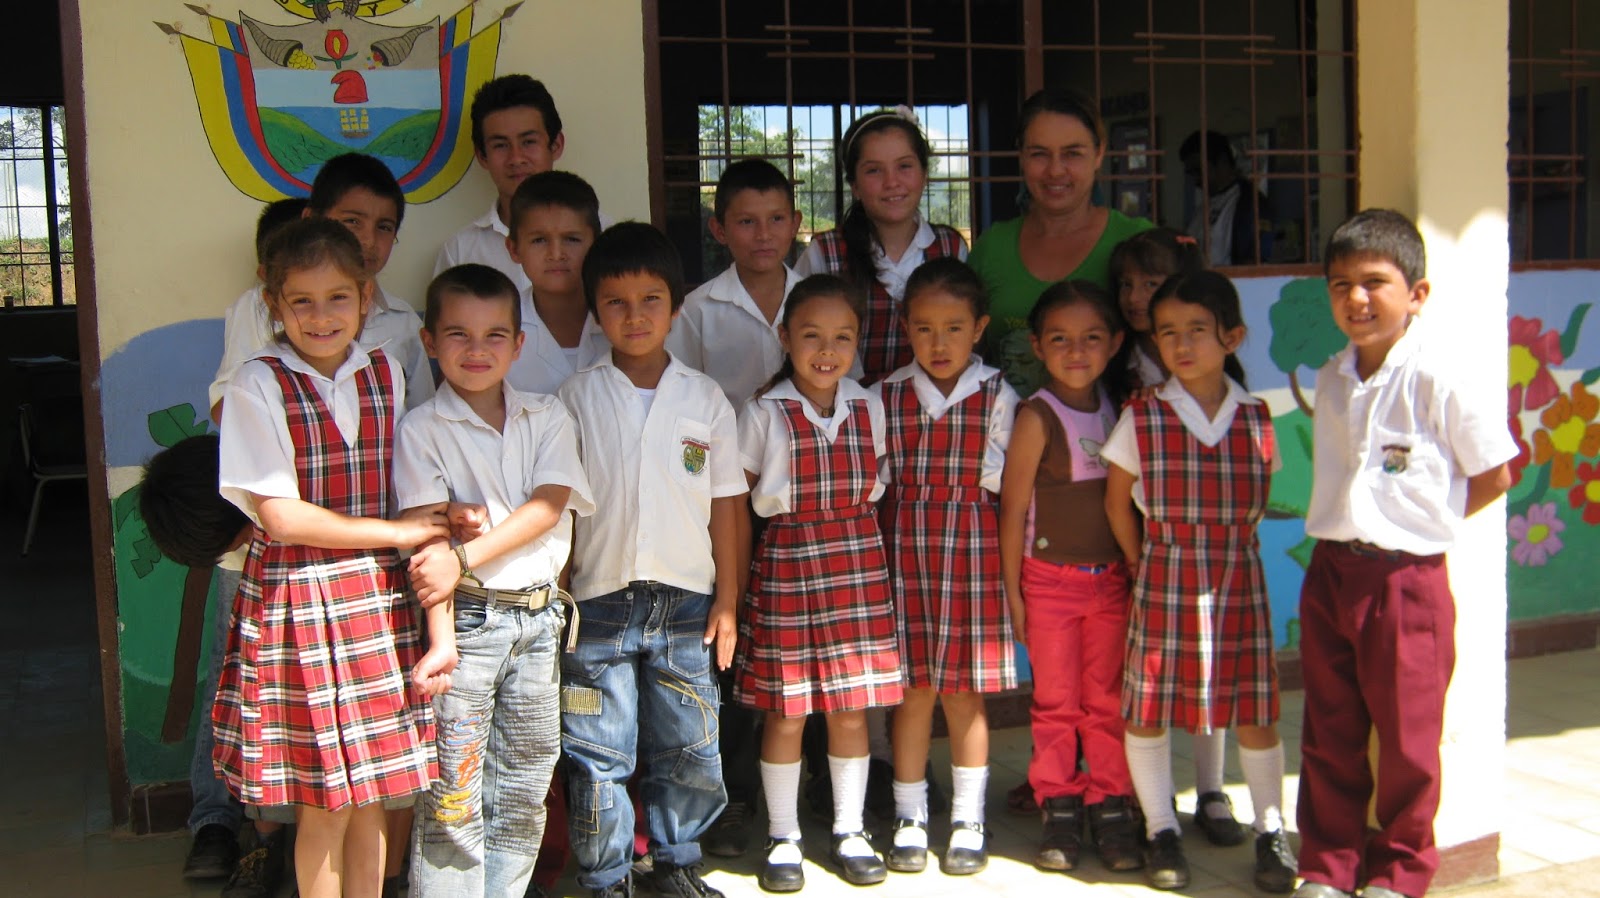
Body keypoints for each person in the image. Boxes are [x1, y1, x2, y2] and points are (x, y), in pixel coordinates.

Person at [213, 218, 445, 898]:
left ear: (366, 298)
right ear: (273, 306)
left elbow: (408, 481)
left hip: (377, 606)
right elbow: (281, 519)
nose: (321, 316)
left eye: (338, 297)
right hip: (300, 604)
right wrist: (400, 535)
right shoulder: (258, 384)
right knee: (324, 799)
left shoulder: (388, 373)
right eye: (302, 302)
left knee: (373, 791)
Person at [1292, 210, 1515, 898]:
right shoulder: (1333, 378)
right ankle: (1327, 866)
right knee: (1329, 730)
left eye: (1374, 283)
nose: (1355, 299)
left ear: (1416, 293)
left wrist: (1422, 528)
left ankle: (1398, 872)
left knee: (1408, 743)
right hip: (1331, 572)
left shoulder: (1441, 375)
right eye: (1339, 285)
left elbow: (1494, 472)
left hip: (1406, 583)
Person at [556, 222, 747, 898]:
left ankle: (676, 864)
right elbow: (560, 510)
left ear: (678, 304)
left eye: (651, 299)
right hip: (596, 604)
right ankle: (606, 879)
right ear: (594, 309)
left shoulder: (704, 399)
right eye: (615, 302)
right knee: (597, 753)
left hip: (687, 604)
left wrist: (728, 599)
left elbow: (727, 505)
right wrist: (558, 599)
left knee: (689, 745)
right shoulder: (574, 399)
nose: (634, 316)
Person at [392, 263, 596, 897]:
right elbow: (428, 543)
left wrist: (467, 551)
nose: (476, 352)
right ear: (429, 342)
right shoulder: (422, 428)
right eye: (457, 335)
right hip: (469, 623)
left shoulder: (547, 415)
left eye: (494, 336)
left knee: (526, 782)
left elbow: (550, 502)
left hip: (540, 621)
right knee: (455, 787)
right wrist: (442, 637)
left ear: (518, 342)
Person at [1101, 270, 1296, 893]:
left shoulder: (1258, 418)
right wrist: (1140, 561)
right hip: (1166, 573)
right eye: (1167, 334)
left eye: (1198, 331)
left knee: (1253, 709)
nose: (1181, 345)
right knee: (1150, 705)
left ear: (1232, 337)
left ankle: (1272, 830)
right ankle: (1162, 826)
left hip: (1238, 578)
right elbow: (1116, 503)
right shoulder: (1144, 416)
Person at [736, 275, 905, 892]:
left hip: (858, 561)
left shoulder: (869, 404)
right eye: (811, 335)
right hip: (787, 562)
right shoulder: (763, 411)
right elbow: (735, 494)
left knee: (850, 709)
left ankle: (850, 828)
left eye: (842, 337)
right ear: (785, 337)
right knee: (786, 712)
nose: (826, 349)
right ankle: (783, 836)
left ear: (859, 342)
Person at [666, 157, 811, 859]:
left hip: (802, 502)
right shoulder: (697, 309)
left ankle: (797, 777)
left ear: (797, 224)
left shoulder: (817, 296)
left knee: (794, 643)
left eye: (777, 219)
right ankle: (727, 790)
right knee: (729, 644)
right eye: (746, 222)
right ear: (720, 228)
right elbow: (681, 404)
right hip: (726, 501)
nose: (763, 234)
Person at [875, 258, 1018, 877]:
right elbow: (874, 484)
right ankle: (910, 816)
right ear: (906, 327)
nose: (939, 343)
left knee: (963, 695)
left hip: (971, 557)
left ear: (979, 328)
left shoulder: (997, 395)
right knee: (912, 693)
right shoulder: (884, 394)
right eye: (925, 328)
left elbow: (1004, 488)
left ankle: (968, 819)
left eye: (954, 328)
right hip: (902, 557)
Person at [1109, 228, 1251, 846]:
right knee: (1149, 675)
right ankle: (1152, 802)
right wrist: (1137, 555)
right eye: (1128, 286)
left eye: (1152, 284)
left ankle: (1212, 789)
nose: (1138, 297)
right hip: (1144, 536)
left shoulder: (1225, 378)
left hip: (1207, 543)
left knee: (1209, 666)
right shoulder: (1118, 366)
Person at [997, 279, 1144, 876]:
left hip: (1109, 582)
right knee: (1056, 703)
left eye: (1090, 338)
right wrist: (1014, 595)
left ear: (1114, 344)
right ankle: (1058, 805)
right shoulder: (1037, 416)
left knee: (1107, 703)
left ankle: (1110, 803)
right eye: (1059, 339)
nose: (1075, 351)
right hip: (1050, 584)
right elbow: (1011, 511)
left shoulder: (1121, 410)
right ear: (1036, 345)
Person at [181, 199, 303, 898]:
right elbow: (231, 411)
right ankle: (221, 823)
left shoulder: (395, 321)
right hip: (259, 541)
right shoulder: (253, 315)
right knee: (240, 684)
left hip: (333, 550)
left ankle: (280, 838)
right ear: (268, 279)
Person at [211, 154, 435, 417]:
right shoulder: (260, 306)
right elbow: (225, 409)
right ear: (311, 219)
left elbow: (423, 415)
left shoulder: (404, 321)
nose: (368, 240)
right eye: (352, 221)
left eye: (384, 227)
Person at [969, 88, 1154, 397]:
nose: (1055, 170)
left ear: (1099, 154)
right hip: (1007, 438)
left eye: (1072, 153)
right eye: (1039, 153)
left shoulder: (1138, 241)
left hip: (1116, 437)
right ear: (1022, 157)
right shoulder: (992, 247)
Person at [795, 106, 967, 385]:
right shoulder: (826, 254)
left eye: (904, 166)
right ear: (855, 185)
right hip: (849, 415)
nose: (892, 182)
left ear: (924, 174)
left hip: (934, 415)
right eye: (874, 170)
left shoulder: (950, 247)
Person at [435, 74, 570, 292]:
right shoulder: (461, 251)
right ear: (482, 156)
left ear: (555, 145)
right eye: (500, 145)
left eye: (528, 142)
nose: (516, 158)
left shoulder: (600, 236)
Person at [505, 169, 611, 394]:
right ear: (514, 249)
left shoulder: (624, 320)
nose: (556, 253)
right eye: (539, 240)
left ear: (596, 244)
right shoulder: (497, 329)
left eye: (572, 239)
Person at [1110, 227, 1206, 390]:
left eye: (1150, 284)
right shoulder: (1115, 360)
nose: (1133, 297)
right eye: (1126, 284)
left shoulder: (1209, 354)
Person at [1179, 130, 1272, 268]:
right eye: (1191, 173)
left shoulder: (1250, 204)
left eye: (1199, 170)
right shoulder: (1205, 206)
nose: (1196, 180)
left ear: (1222, 162)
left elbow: (1254, 260)